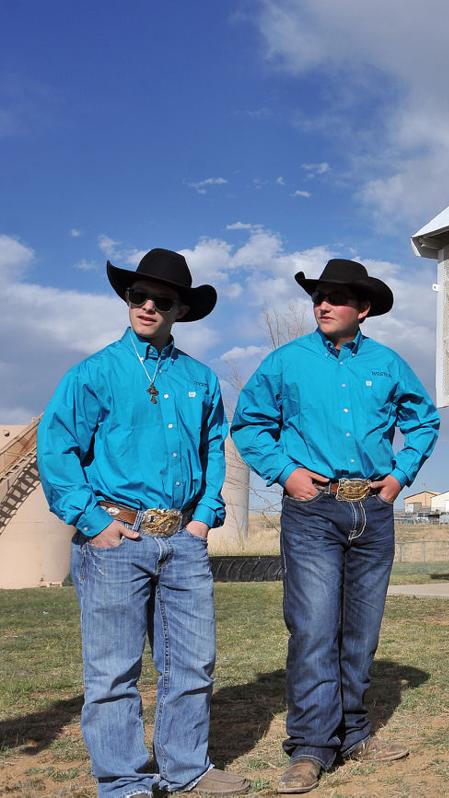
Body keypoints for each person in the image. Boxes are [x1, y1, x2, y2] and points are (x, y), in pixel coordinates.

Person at [38, 249, 248, 798]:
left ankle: (186, 771)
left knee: (194, 665)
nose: (148, 306)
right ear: (127, 300)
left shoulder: (200, 379)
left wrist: (203, 518)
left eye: (162, 300)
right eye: (139, 296)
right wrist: (91, 520)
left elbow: (211, 451)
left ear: (181, 310)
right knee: (112, 673)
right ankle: (124, 782)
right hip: (114, 539)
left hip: (182, 540)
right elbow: (57, 450)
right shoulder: (93, 374)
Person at [231, 258, 440, 794]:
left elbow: (424, 420)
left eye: (336, 297)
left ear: (363, 309)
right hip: (313, 511)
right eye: (317, 297)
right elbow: (249, 425)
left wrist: (399, 476)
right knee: (314, 629)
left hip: (372, 509)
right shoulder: (285, 362)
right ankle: (309, 747)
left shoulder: (389, 364)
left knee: (361, 632)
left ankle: (353, 733)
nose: (322, 305)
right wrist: (286, 473)